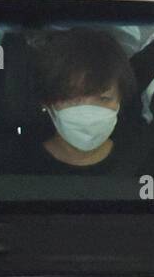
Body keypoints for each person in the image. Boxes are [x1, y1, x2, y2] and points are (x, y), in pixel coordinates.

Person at [23, 27, 141, 174]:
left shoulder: (144, 166)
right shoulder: (18, 169)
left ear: (120, 100)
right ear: (47, 102)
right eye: (73, 98)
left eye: (103, 99)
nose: (88, 113)